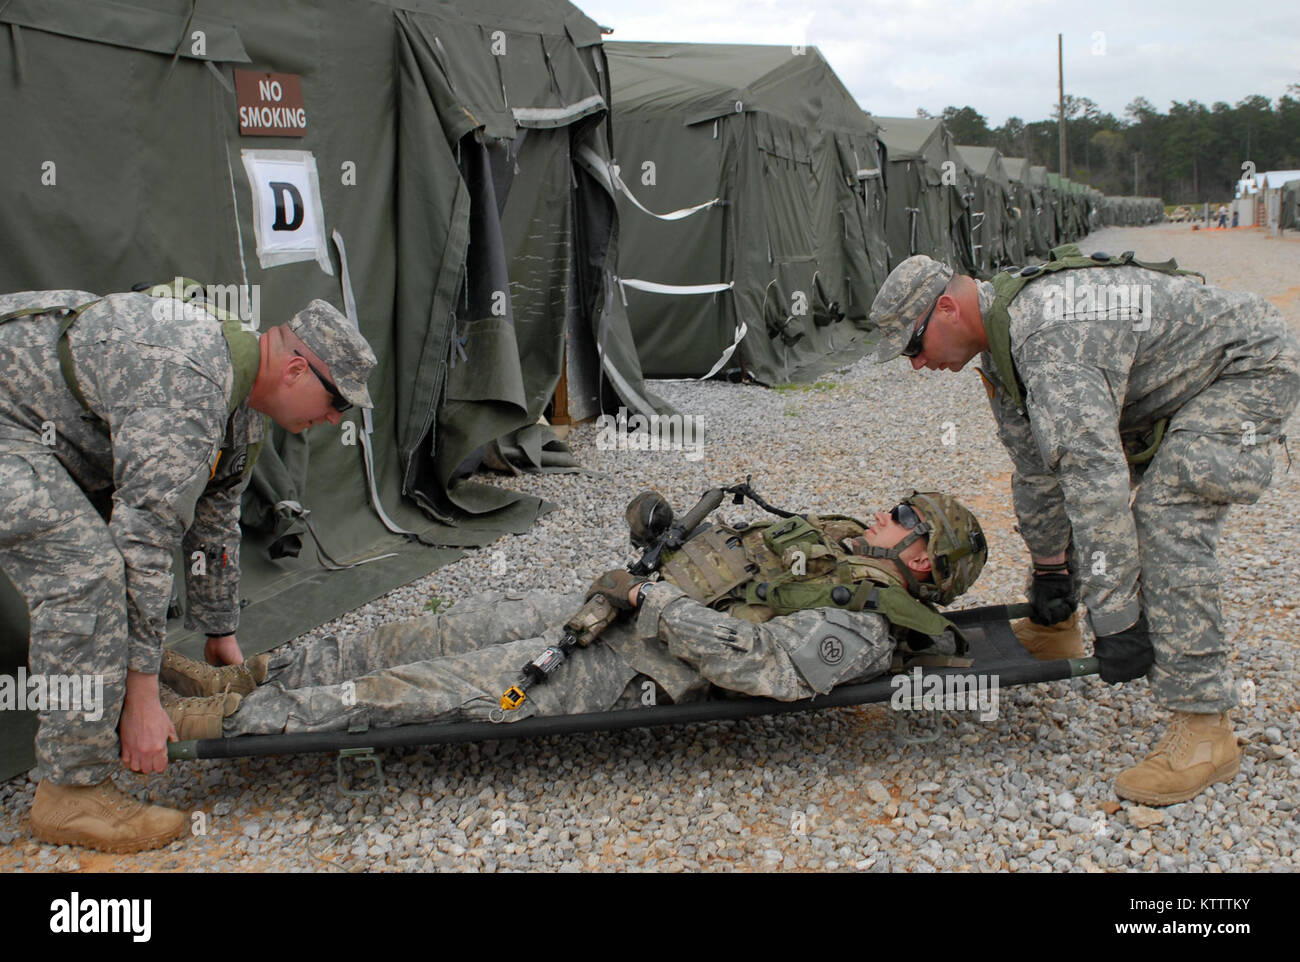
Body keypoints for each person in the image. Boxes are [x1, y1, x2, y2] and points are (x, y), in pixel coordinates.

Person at [869, 250, 1300, 806]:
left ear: (948, 308)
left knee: (1166, 519)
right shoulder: (1002, 343)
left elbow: (1096, 484)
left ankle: (1204, 729)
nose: (916, 365)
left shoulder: (1048, 339)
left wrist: (1117, 619)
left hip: (1246, 371)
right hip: (1183, 376)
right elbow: (1037, 469)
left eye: (913, 345)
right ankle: (1057, 633)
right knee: (1078, 483)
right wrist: (1053, 582)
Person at [0, 287, 376, 852]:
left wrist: (220, 634)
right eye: (335, 402)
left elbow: (215, 513)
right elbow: (143, 542)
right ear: (297, 369)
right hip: (12, 423)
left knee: (110, 563)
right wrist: (144, 699)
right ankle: (70, 791)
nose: (331, 418)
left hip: (38, 419)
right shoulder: (187, 383)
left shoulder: (243, 391)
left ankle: (127, 685)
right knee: (85, 574)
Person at [157, 492, 987, 743]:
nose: (889, 512)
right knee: (437, 626)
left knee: (441, 684)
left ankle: (225, 719)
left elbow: (764, 667)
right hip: (623, 607)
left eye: (908, 518)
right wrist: (654, 553)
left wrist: (653, 599)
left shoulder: (871, 619)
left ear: (923, 561)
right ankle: (253, 671)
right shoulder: (837, 541)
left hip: (642, 664)